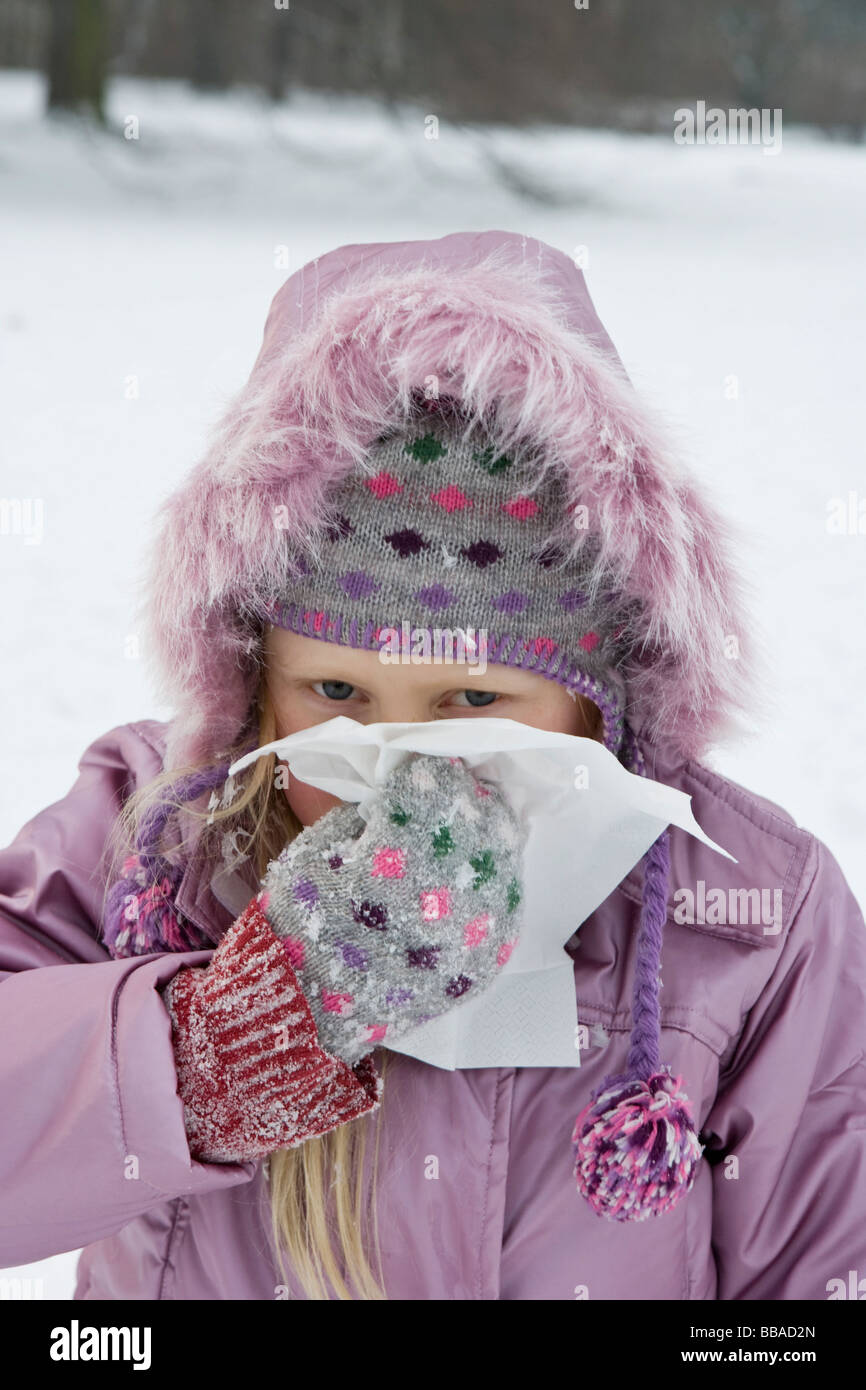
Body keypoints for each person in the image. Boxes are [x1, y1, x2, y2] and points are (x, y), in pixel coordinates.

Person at [1, 230, 864, 1302]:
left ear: (598, 695)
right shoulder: (146, 844)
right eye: (336, 698)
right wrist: (207, 1056)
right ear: (252, 674)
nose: (400, 769)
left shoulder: (748, 916)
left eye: (471, 704)